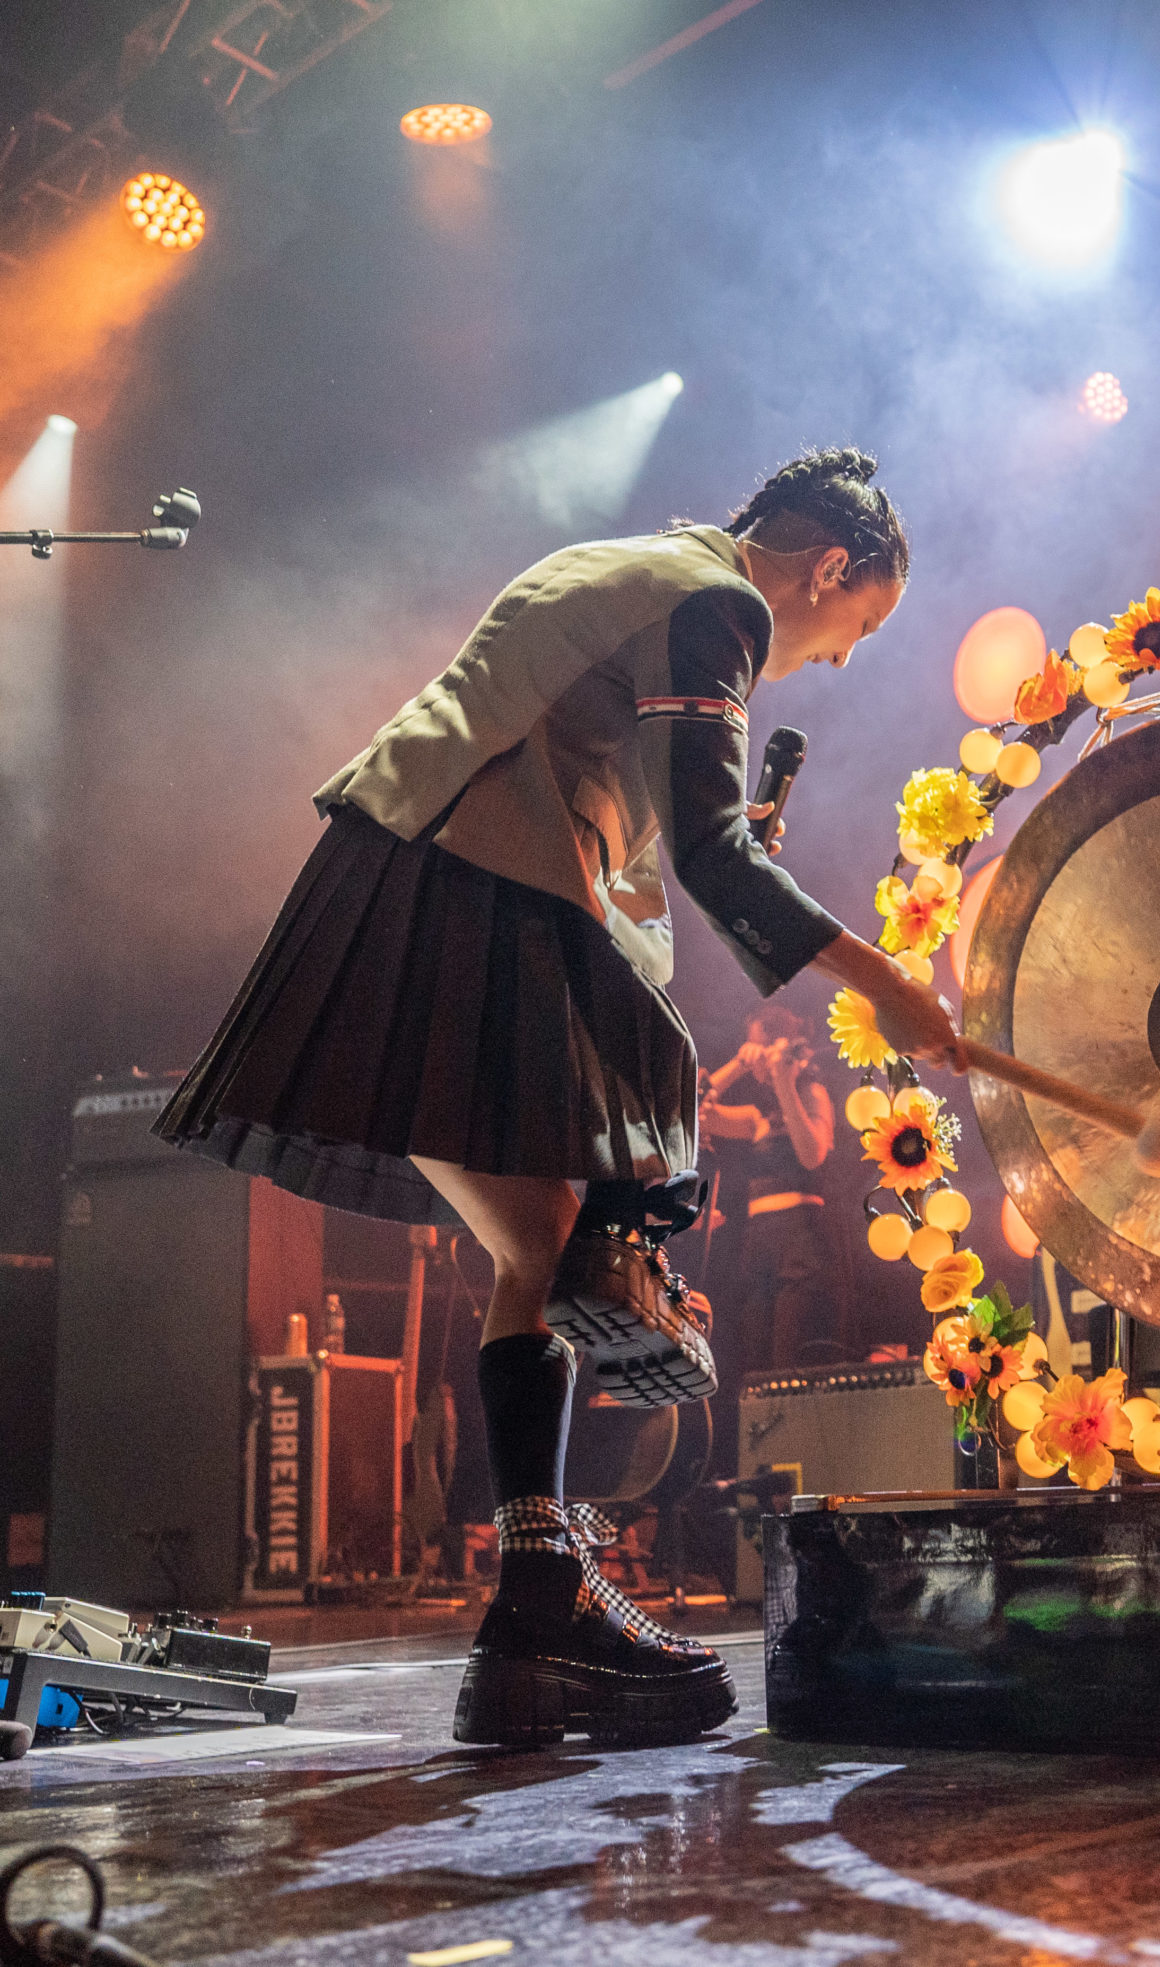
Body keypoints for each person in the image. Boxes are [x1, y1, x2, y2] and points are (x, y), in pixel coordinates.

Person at [156, 448, 963, 1745]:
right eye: (858, 627)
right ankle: (565, 1514)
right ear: (828, 568)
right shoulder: (721, 605)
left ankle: (536, 1602)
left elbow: (592, 780)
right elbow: (713, 858)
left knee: (537, 1247)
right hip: (464, 888)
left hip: (392, 873)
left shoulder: (626, 566)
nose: (836, 658)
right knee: (637, 1112)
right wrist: (888, 987)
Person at [702, 1005, 841, 1377]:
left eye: (758, 1044)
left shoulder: (812, 1093)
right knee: (753, 1360)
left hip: (800, 1237)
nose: (756, 1060)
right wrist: (738, 1063)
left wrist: (784, 1079)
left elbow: (811, 1155)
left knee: (786, 1358)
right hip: (757, 1240)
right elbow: (696, 1112)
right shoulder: (755, 1118)